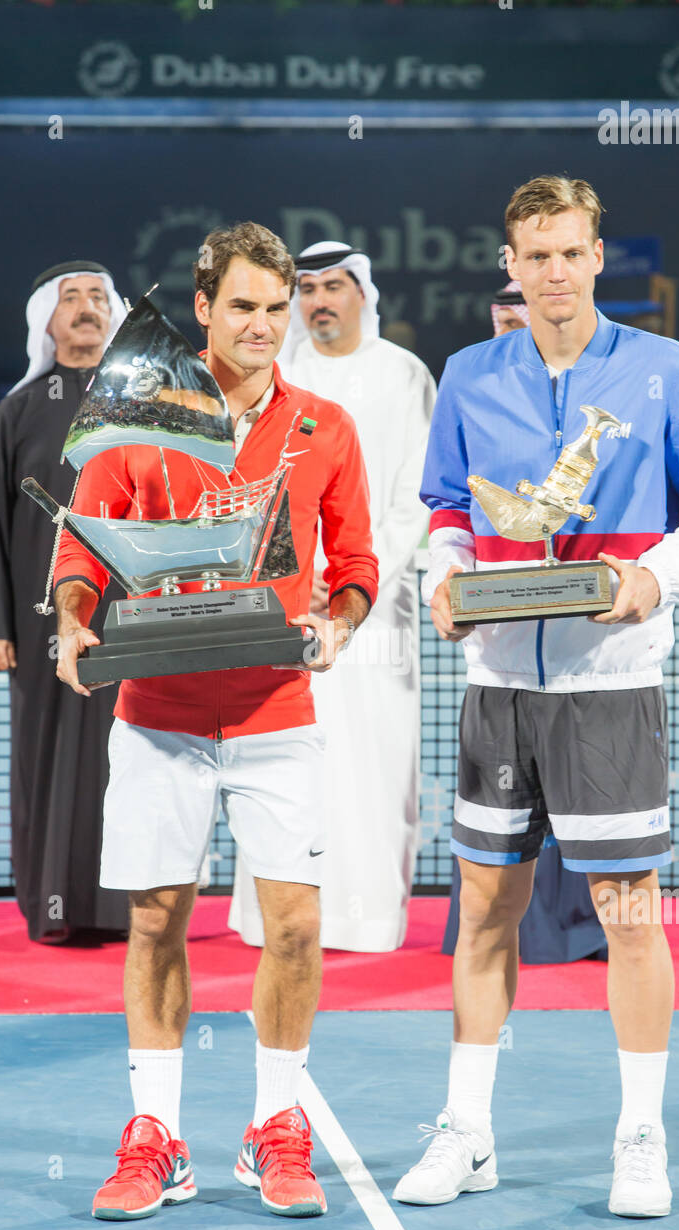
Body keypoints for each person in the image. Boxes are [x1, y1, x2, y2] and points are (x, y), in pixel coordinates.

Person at [396, 175, 679, 1217]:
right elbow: (447, 510)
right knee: (482, 916)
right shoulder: (467, 374)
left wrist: (649, 578)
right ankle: (467, 1131)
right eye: (531, 254)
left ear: (598, 258)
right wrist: (444, 583)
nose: (550, 272)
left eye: (568, 252)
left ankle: (639, 1138)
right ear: (508, 265)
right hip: (498, 684)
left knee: (628, 916)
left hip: (610, 687)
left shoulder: (662, 370)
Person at [52, 222, 378, 1220]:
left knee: (295, 925)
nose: (263, 327)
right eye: (243, 306)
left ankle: (273, 1126)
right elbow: (83, 551)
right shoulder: (136, 420)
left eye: (277, 309)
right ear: (202, 308)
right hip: (158, 712)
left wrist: (336, 622)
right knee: (155, 919)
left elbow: (356, 569)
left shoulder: (325, 426)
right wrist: (70, 624)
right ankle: (155, 1134)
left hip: (278, 712)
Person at [229, 241, 436, 952]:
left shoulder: (404, 376)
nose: (319, 301)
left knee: (374, 766)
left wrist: (352, 579)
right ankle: (274, 918)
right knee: (284, 762)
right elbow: (248, 487)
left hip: (374, 615)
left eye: (333, 286)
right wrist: (298, 571)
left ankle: (369, 917)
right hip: (285, 606)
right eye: (307, 289)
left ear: (362, 295)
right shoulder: (274, 379)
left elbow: (418, 499)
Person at [0, 261, 129, 944]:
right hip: (39, 632)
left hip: (126, 621)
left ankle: (121, 909)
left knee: (123, 761)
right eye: (72, 299)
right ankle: (53, 907)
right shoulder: (19, 410)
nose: (86, 309)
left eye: (98, 297)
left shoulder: (138, 403)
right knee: (45, 758)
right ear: (48, 320)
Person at [443, 277, 605, 963]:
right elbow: (448, 503)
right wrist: (447, 576)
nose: (517, 324)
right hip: (501, 652)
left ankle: (574, 929)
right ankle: (508, 939)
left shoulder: (592, 393)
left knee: (584, 803)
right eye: (504, 316)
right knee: (501, 818)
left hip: (590, 656)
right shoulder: (471, 389)